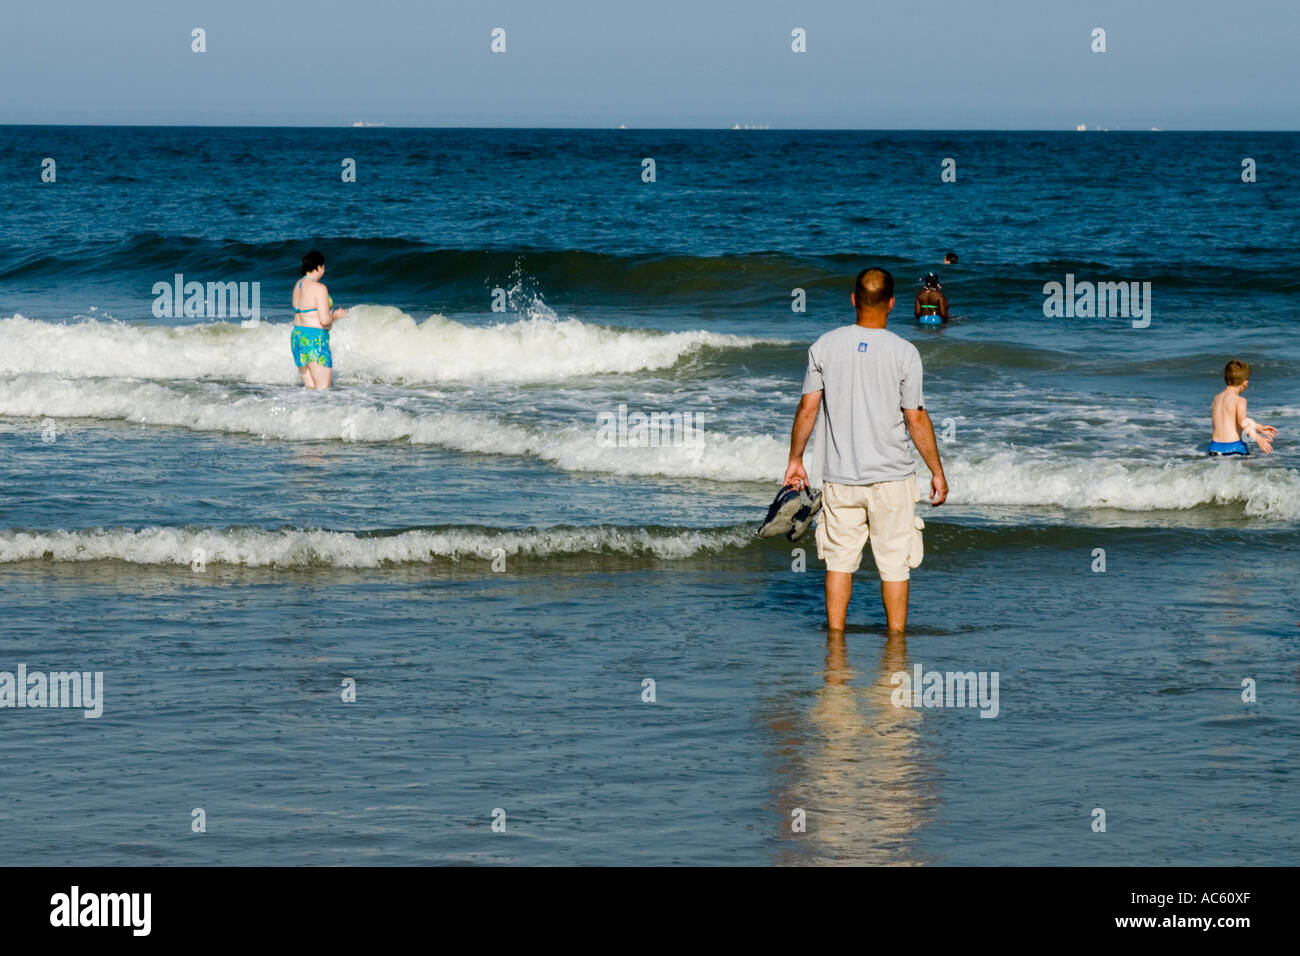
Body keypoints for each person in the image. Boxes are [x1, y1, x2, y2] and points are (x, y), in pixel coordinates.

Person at [784, 268, 948, 634]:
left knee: (839, 564)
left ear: (854, 299)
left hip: (841, 478)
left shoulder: (824, 346)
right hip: (893, 479)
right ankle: (895, 643)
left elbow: (807, 407)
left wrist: (795, 460)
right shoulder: (905, 353)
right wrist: (936, 471)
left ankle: (836, 645)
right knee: (894, 565)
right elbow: (916, 418)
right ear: (892, 303)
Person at [291, 250, 348, 389]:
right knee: (322, 390)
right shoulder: (319, 288)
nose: (324, 270)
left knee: (310, 389)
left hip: (297, 337)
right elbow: (325, 320)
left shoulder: (298, 285)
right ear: (318, 267)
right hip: (314, 340)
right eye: (323, 266)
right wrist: (336, 315)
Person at [1209, 359, 1276, 455]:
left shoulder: (1216, 398)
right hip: (1233, 447)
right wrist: (1258, 438)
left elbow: (1233, 419)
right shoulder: (1240, 400)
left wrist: (1260, 427)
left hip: (1214, 447)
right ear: (1245, 383)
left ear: (1225, 379)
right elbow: (1242, 422)